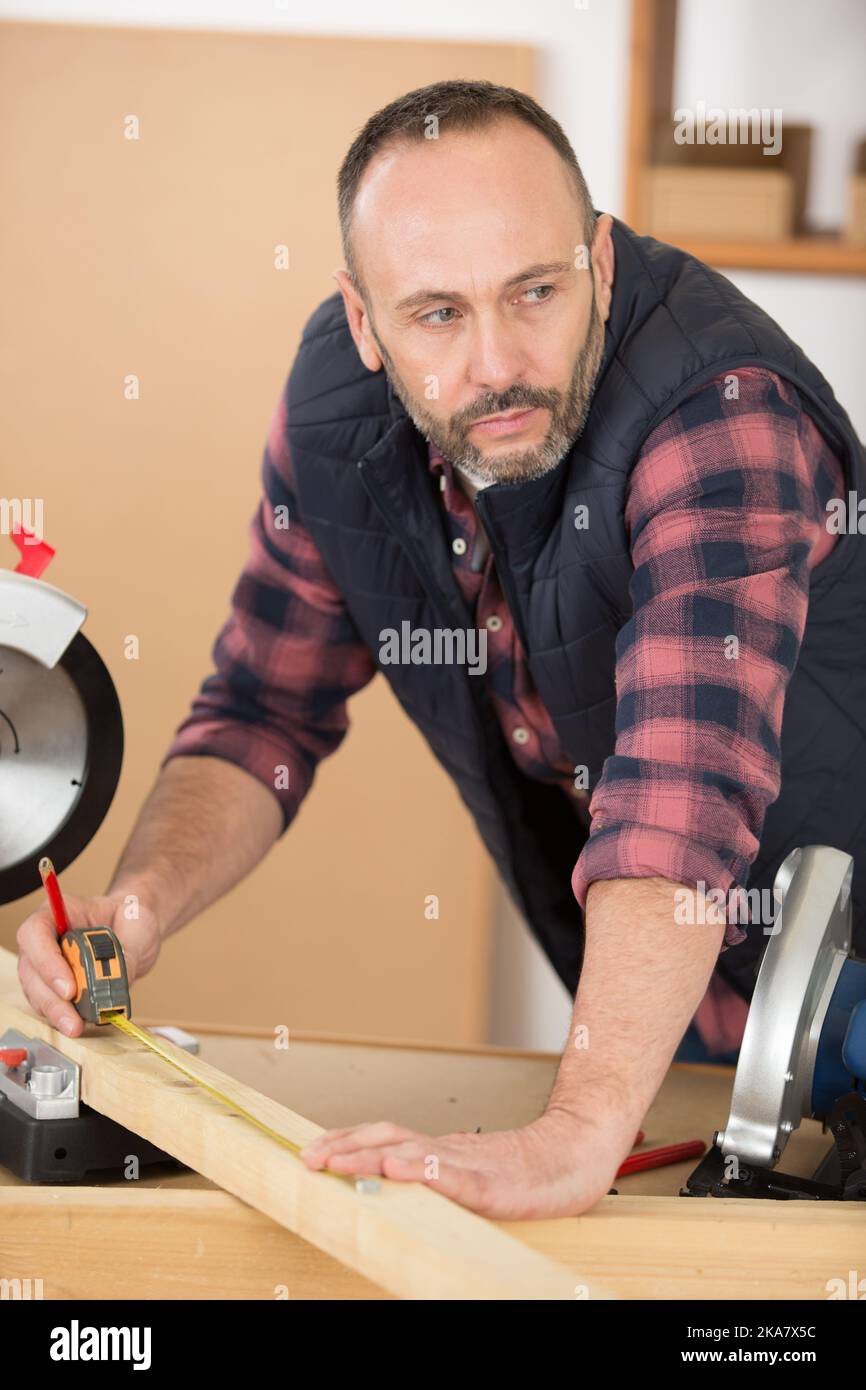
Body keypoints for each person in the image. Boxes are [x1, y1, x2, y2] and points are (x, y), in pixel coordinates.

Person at [16, 79, 866, 1219]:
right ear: (361, 321)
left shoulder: (716, 412)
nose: (496, 363)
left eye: (534, 291)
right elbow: (263, 711)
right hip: (687, 1041)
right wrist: (141, 904)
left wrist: (573, 1129)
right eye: (434, 314)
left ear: (599, 263)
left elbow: (676, 792)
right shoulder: (335, 410)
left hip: (835, 983)